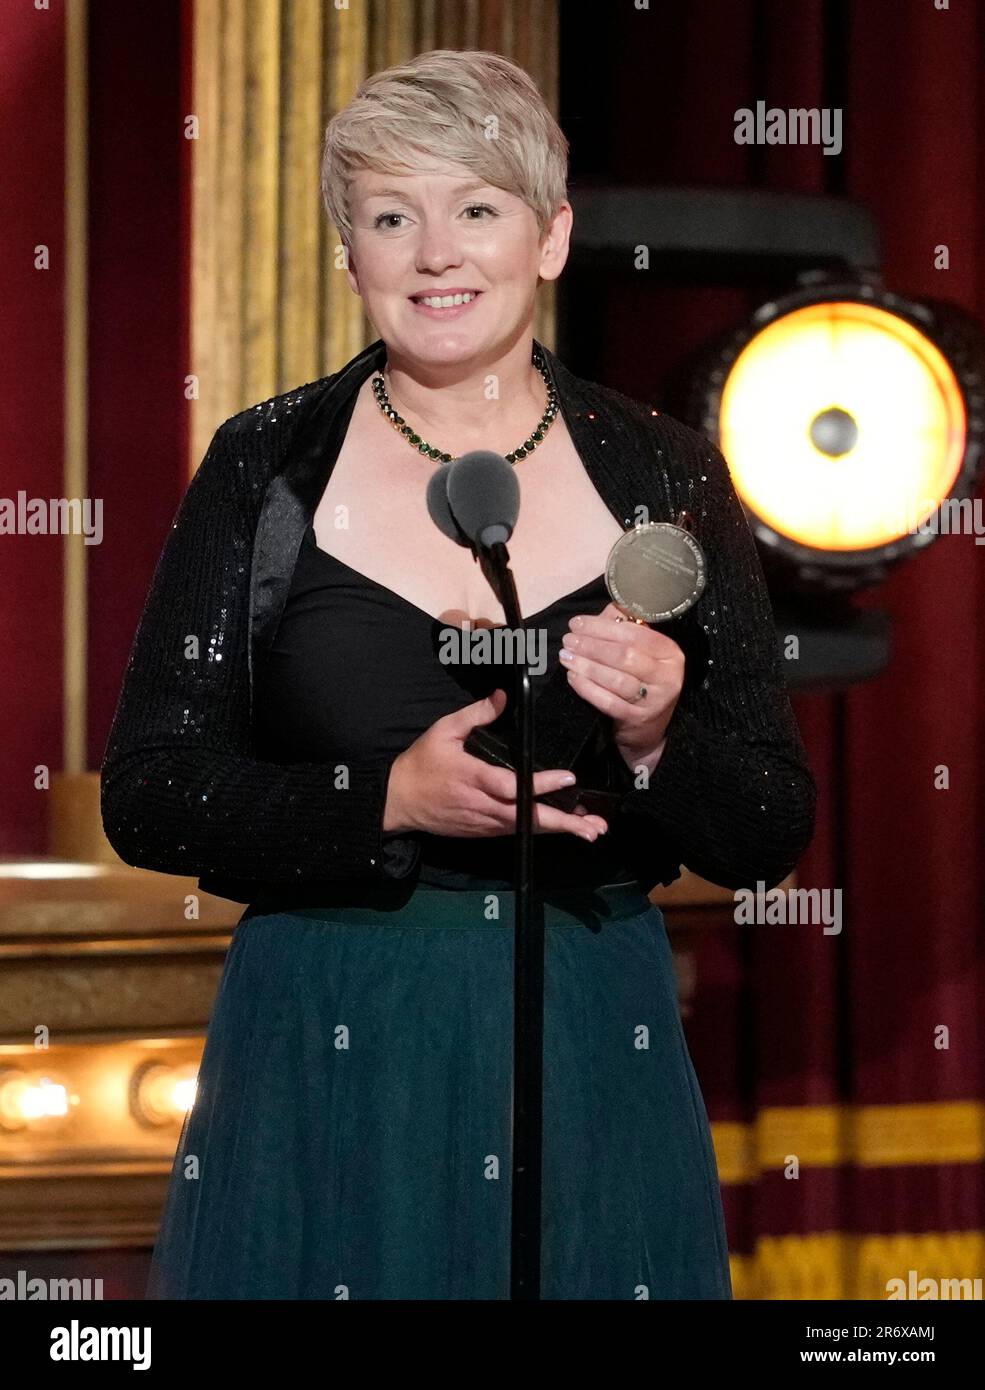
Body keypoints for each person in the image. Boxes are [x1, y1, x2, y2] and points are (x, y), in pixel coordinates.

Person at [100, 49, 816, 1300]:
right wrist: (380, 800)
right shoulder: (265, 467)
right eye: (390, 217)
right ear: (352, 253)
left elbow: (768, 825)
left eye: (475, 209)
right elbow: (153, 790)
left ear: (549, 237)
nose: (435, 253)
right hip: (329, 1037)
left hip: (589, 1032)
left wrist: (656, 738)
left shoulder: (667, 473)